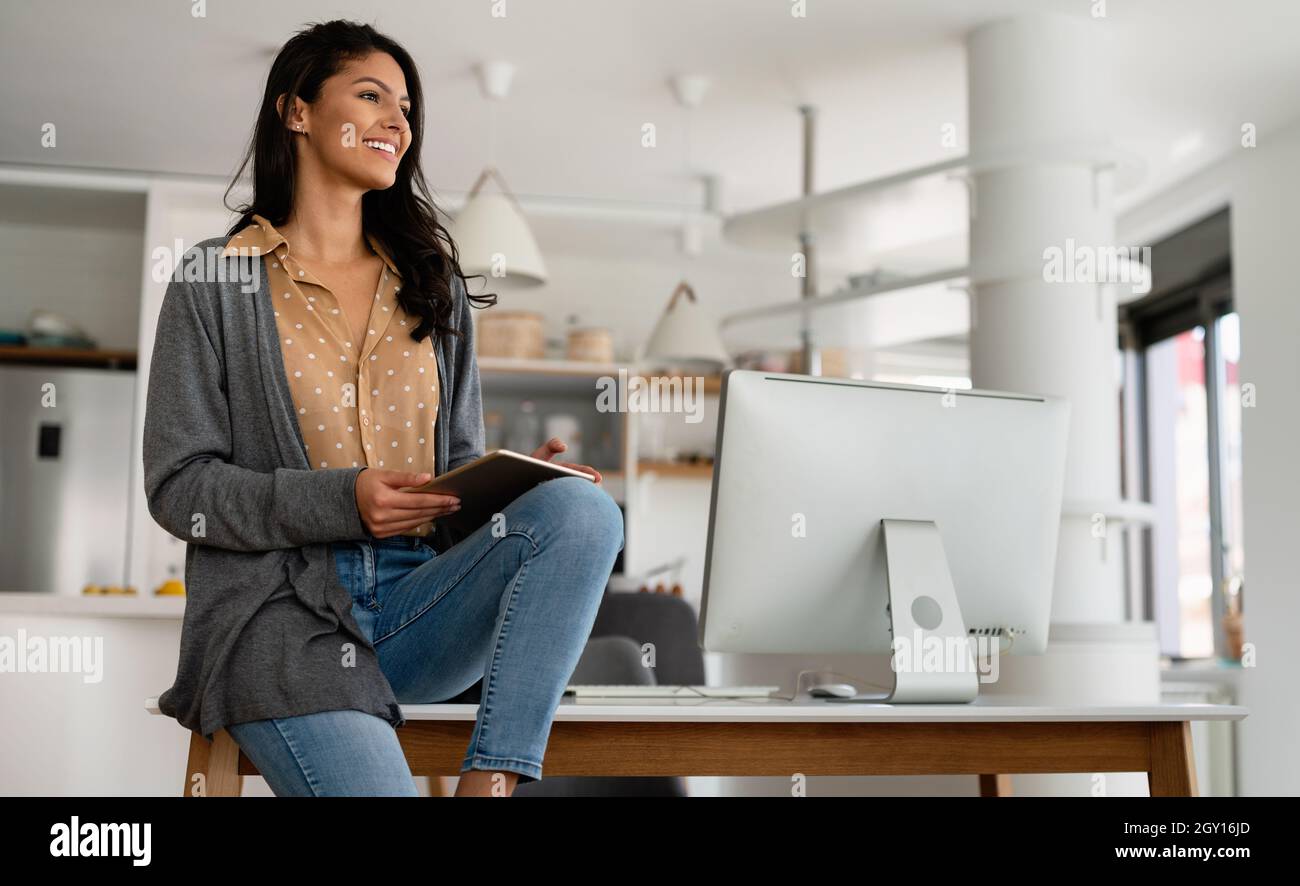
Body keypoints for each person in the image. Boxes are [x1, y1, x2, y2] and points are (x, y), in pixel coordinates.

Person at [142, 19, 624, 797]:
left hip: (415, 611)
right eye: (371, 95)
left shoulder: (434, 284)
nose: (398, 122)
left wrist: (515, 486)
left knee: (585, 513)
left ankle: (493, 778)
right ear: (295, 109)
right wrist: (344, 500)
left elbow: (456, 473)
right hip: (283, 621)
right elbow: (180, 488)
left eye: (406, 107)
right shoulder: (214, 281)